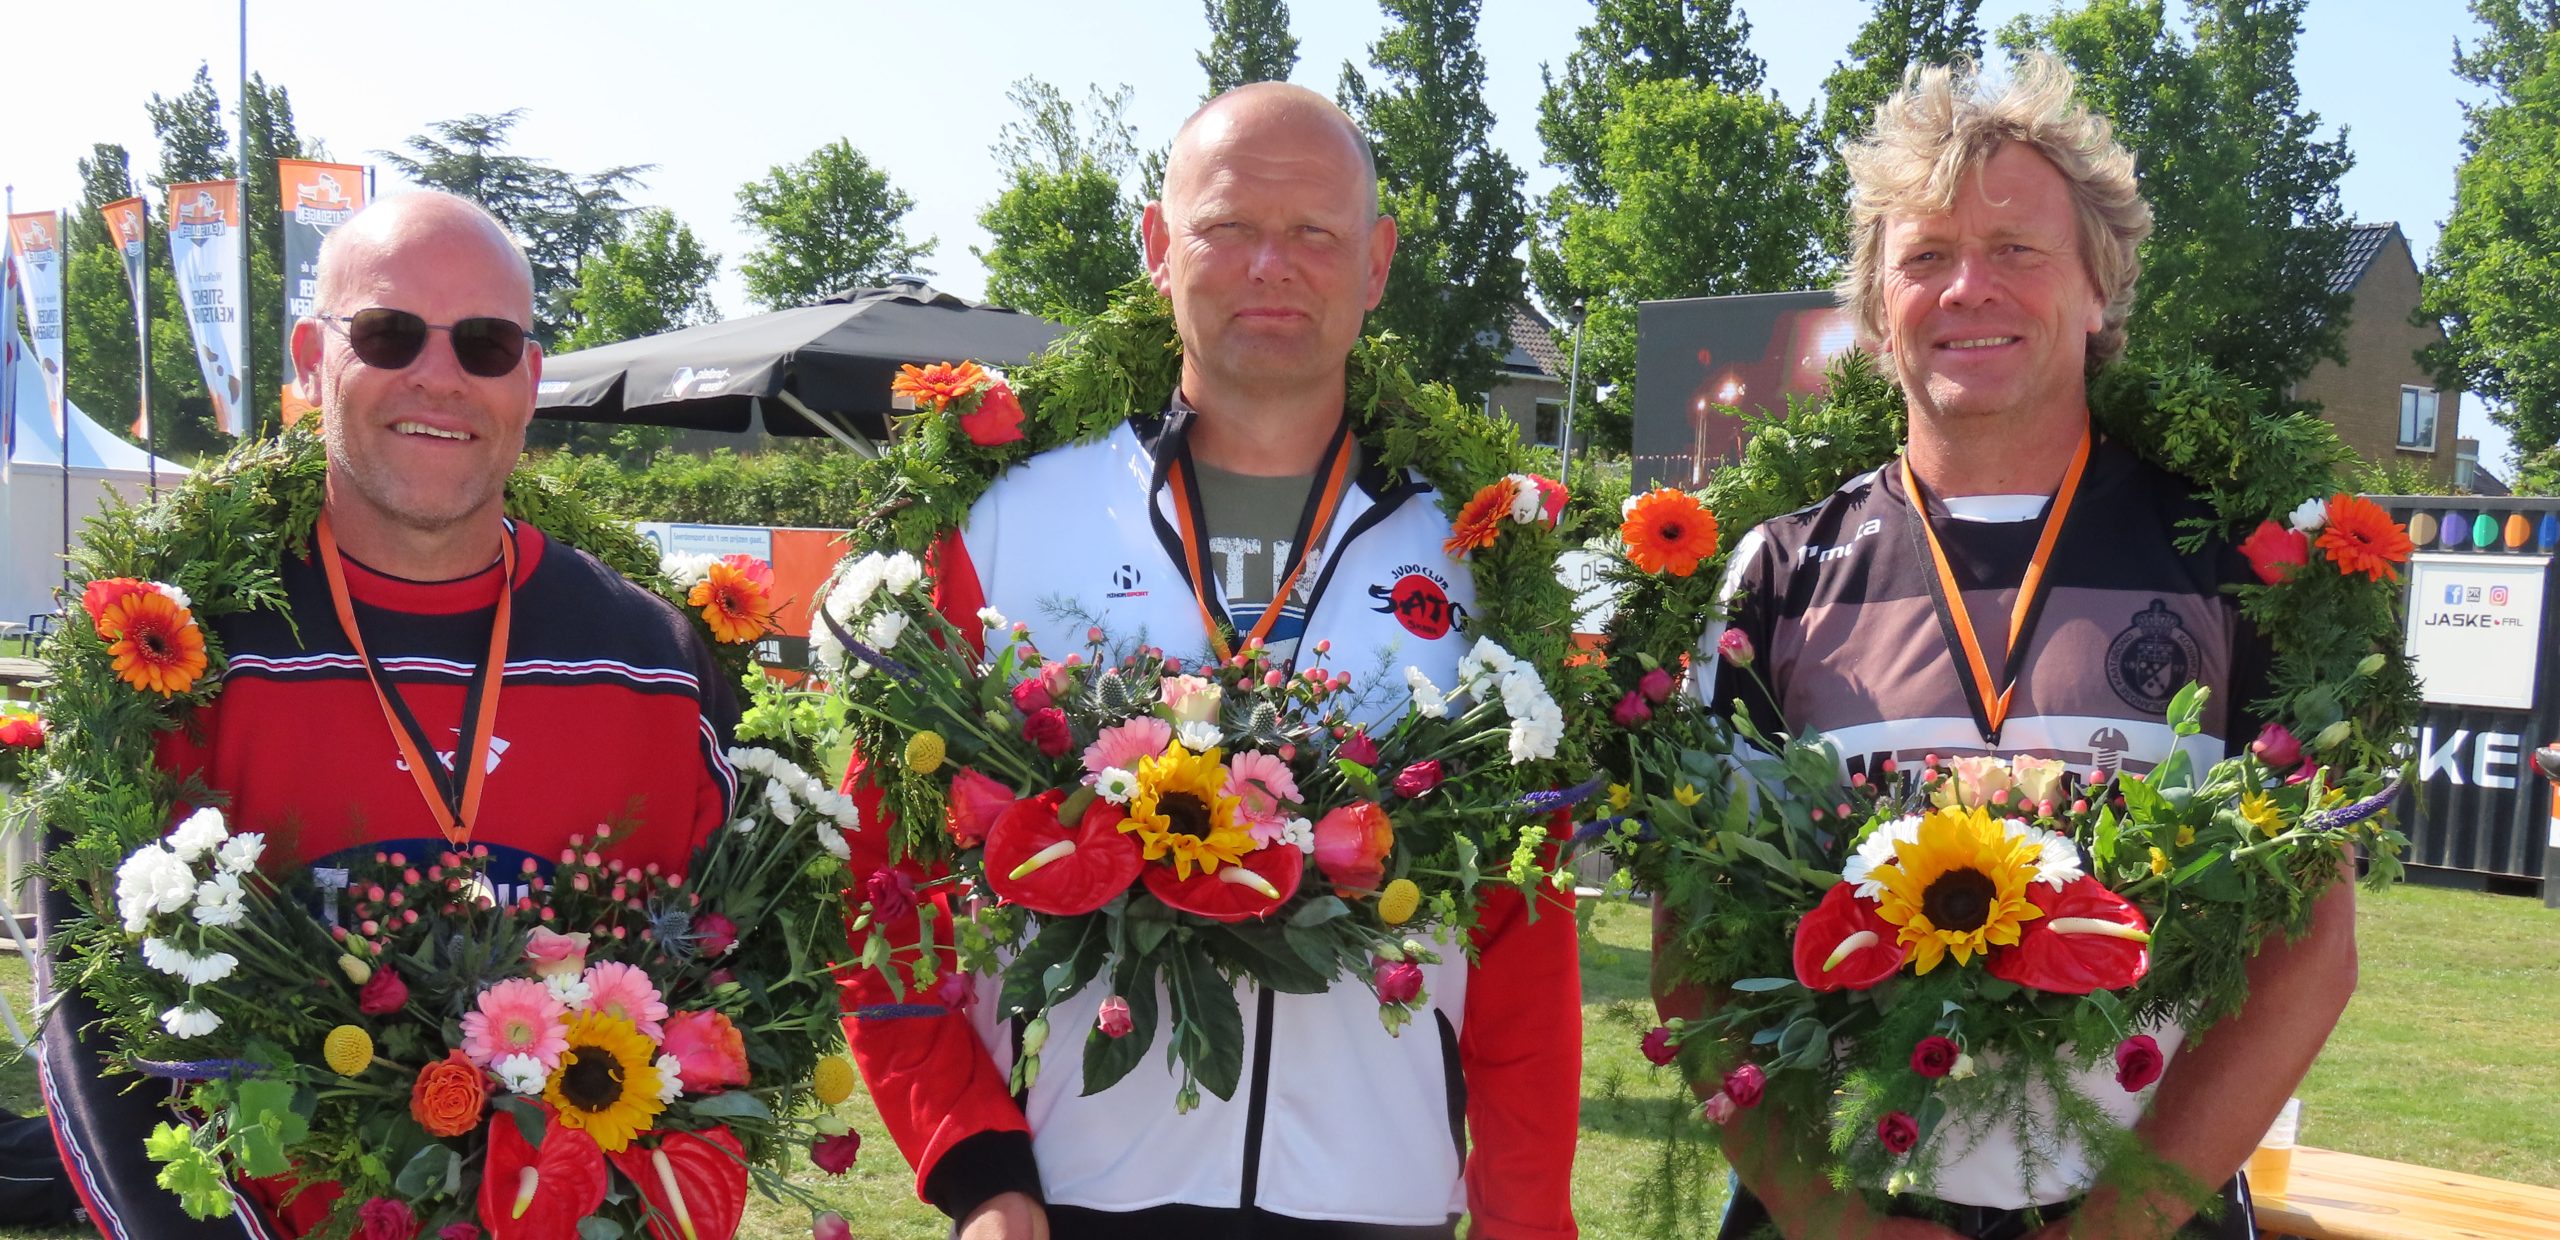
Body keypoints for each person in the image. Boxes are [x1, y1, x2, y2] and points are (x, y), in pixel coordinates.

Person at [840, 83, 1582, 1240]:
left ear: (1376, 262)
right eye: (1228, 226)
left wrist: (1525, 1215)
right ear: (1157, 246)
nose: (1269, 266)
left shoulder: (1479, 551)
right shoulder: (1007, 524)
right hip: (1073, 1193)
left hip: (1376, 1197)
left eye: (1314, 233)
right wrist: (971, 1159)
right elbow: (885, 878)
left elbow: (1523, 918)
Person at [1680, 56, 2357, 1240]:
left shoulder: (2236, 566)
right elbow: (1693, 938)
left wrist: (2123, 1220)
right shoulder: (1776, 573)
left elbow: (2310, 948)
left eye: (2016, 252)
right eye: (1925, 257)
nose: (1966, 290)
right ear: (1875, 306)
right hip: (1837, 1207)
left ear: (2098, 289)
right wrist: (1825, 1215)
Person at [37, 191, 740, 1238]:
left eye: (487, 343)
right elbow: (97, 1023)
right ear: (313, 358)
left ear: (530, 380)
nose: (440, 375)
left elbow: (739, 993)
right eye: (389, 332)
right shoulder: (181, 659)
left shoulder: (654, 659)